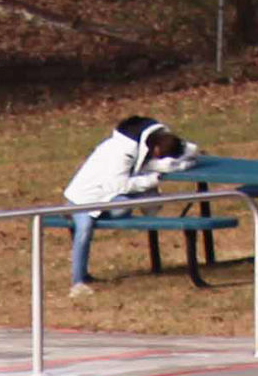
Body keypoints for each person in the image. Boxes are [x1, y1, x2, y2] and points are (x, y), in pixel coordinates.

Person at [59, 117, 191, 292]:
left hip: (105, 199)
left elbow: (190, 150)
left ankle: (82, 276)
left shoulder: (136, 150)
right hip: (82, 200)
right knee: (84, 231)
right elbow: (117, 185)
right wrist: (151, 180)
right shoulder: (122, 153)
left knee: (123, 208)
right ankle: (78, 281)